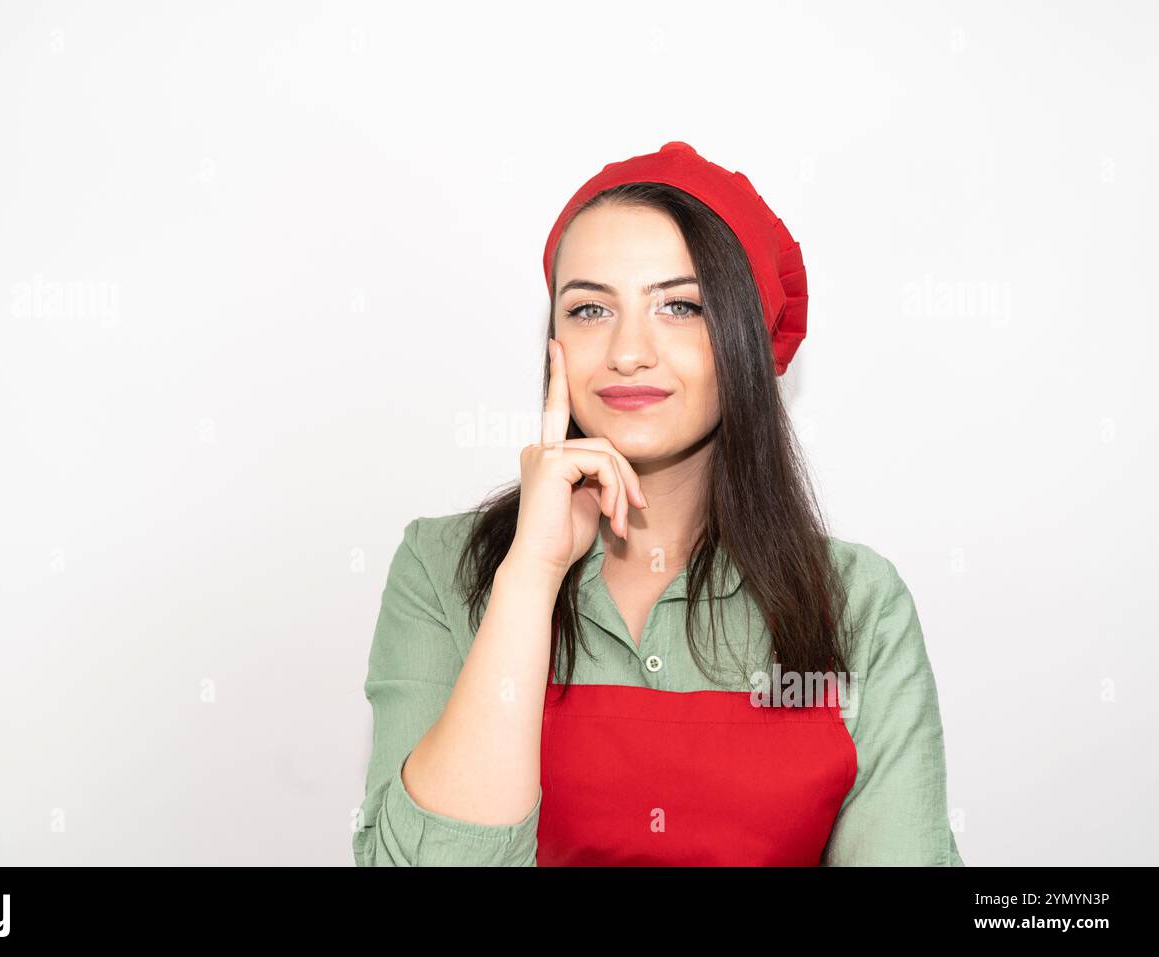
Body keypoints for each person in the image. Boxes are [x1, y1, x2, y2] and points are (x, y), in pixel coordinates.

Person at [352, 141, 963, 867]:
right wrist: (532, 572)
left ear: (743, 343)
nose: (629, 350)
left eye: (680, 305)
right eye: (588, 309)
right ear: (554, 344)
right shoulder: (440, 568)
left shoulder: (860, 604)